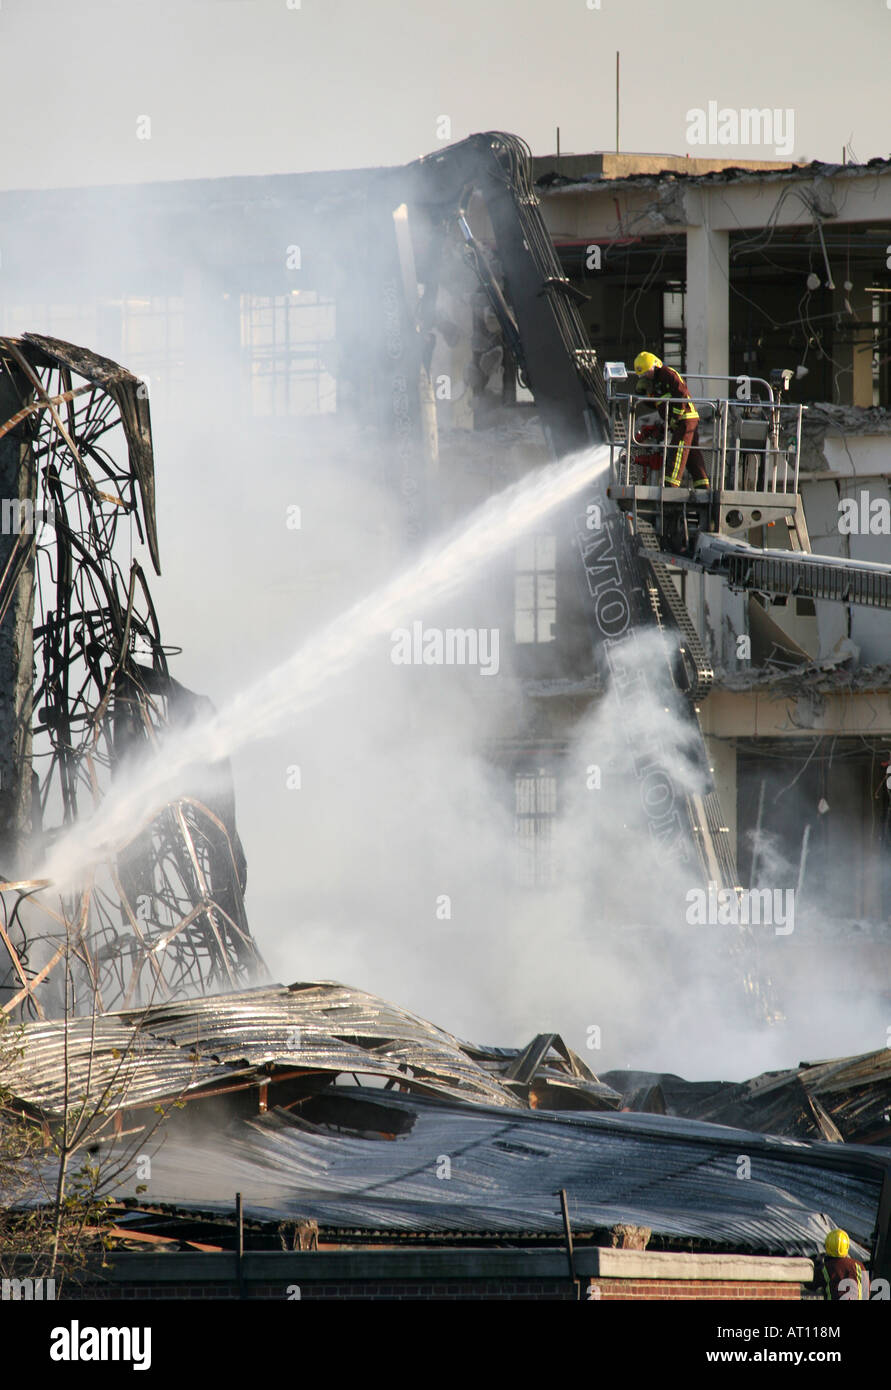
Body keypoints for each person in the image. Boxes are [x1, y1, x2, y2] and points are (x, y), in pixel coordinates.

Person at [633, 351, 709, 489]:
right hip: (680, 421)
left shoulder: (668, 374)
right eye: (642, 375)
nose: (645, 376)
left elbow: (681, 396)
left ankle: (671, 485)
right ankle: (703, 485)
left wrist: (674, 418)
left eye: (646, 372)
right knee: (692, 455)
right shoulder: (655, 381)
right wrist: (643, 395)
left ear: (654, 366)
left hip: (686, 418)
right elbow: (656, 404)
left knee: (677, 451)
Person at [813, 1228, 867, 1301]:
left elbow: (810, 1285)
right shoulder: (858, 1265)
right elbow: (866, 1291)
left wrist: (816, 1262)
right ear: (847, 1246)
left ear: (827, 1247)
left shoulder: (825, 1267)